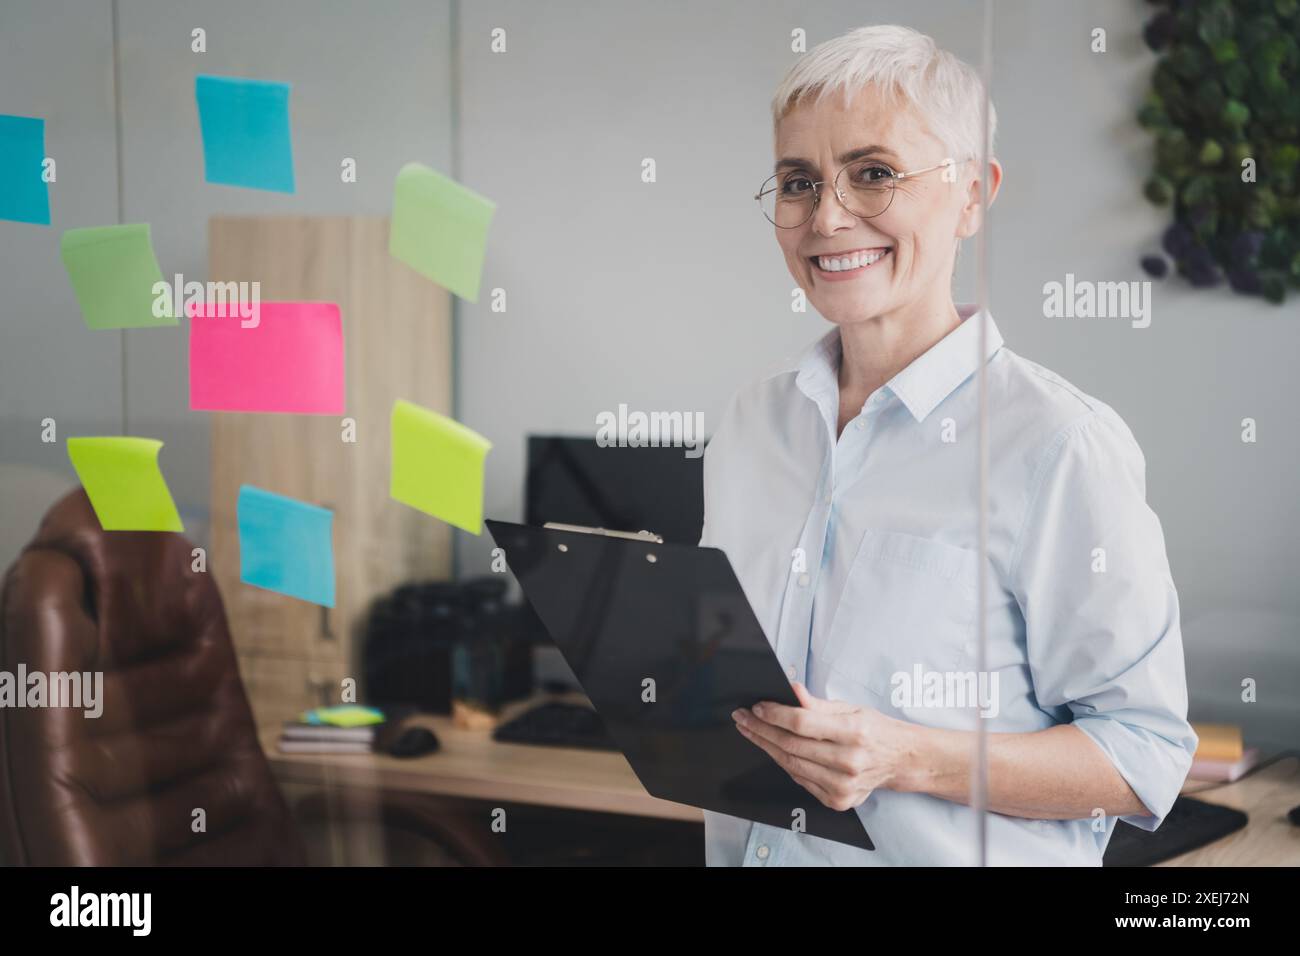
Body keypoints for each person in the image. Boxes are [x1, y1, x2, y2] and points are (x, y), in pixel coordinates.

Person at [701, 24, 1197, 865]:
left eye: (874, 174)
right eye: (798, 182)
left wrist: (908, 757)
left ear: (972, 195)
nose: (827, 216)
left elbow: (1145, 755)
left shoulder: (1060, 445)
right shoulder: (752, 423)